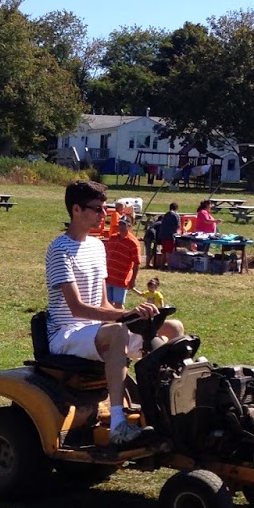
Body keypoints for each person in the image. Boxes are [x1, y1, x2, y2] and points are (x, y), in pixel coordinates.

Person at [46, 181, 184, 447]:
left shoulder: (97, 247)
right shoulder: (59, 250)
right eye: (97, 209)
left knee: (172, 329)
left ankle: (168, 410)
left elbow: (103, 303)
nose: (104, 214)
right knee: (119, 331)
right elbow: (77, 309)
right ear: (76, 209)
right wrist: (124, 317)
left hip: (97, 330)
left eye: (105, 208)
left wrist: (136, 315)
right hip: (67, 333)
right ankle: (118, 425)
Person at [101, 207, 142, 304]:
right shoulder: (113, 238)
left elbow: (136, 264)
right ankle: (108, 320)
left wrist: (132, 280)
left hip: (121, 279)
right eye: (120, 224)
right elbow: (106, 255)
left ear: (129, 226)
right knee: (107, 303)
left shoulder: (133, 243)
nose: (121, 226)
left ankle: (120, 320)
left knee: (119, 305)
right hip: (109, 277)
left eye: (123, 224)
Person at [154, 202, 181, 268]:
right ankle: (169, 266)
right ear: (176, 208)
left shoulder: (165, 215)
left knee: (164, 251)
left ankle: (162, 266)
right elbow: (178, 226)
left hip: (163, 235)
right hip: (170, 236)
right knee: (169, 252)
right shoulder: (176, 215)